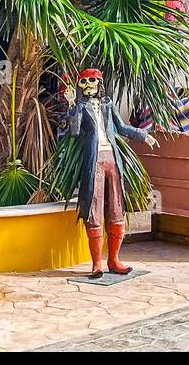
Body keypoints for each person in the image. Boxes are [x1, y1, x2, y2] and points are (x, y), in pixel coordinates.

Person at [59, 68, 155, 279]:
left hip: (113, 160)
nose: (88, 85)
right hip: (93, 162)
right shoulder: (80, 106)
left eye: (92, 80)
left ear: (99, 83)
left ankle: (114, 260)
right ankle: (96, 264)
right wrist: (72, 105)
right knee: (93, 211)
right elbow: (74, 132)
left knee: (116, 209)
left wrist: (143, 135)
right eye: (83, 81)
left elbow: (121, 127)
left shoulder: (108, 103)